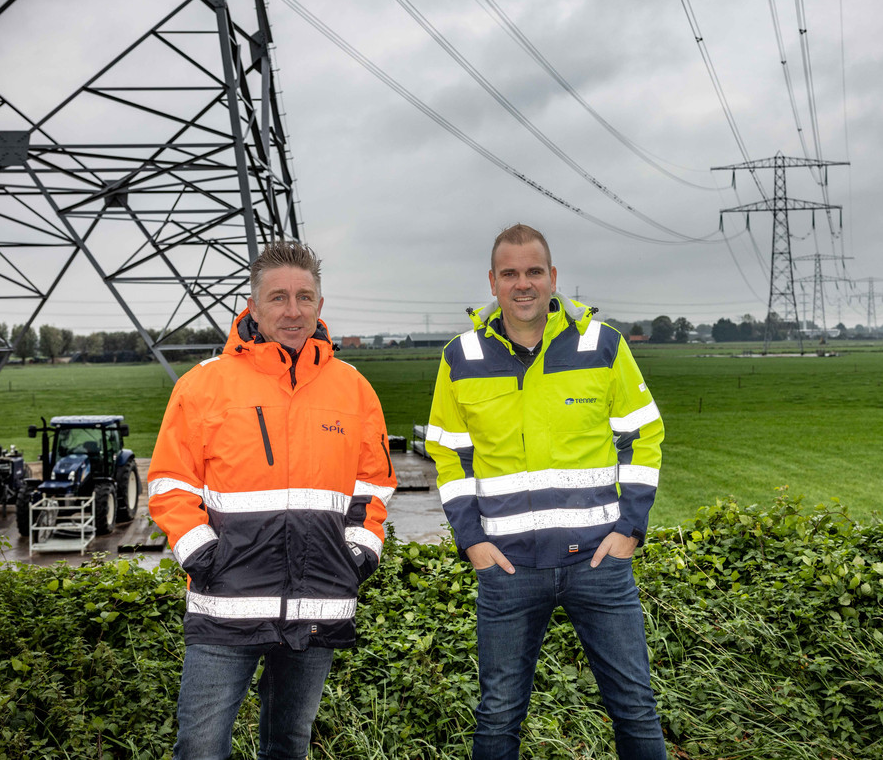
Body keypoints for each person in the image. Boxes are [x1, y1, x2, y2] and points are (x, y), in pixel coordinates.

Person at [426, 223, 667, 759]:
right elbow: (448, 455)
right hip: (507, 569)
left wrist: (630, 529)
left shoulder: (602, 346)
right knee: (497, 717)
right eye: (510, 273)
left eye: (534, 271)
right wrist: (471, 541)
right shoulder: (459, 358)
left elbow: (644, 435)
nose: (523, 284)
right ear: (492, 281)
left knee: (634, 707)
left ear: (554, 277)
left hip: (599, 566)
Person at [149, 241, 395, 760]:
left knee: (289, 745)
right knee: (199, 748)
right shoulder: (203, 386)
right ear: (253, 306)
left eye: (305, 297)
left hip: (318, 604)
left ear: (320, 306)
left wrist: (359, 553)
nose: (292, 310)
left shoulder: (354, 390)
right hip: (225, 604)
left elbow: (373, 485)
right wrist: (202, 556)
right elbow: (170, 483)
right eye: (278, 297)